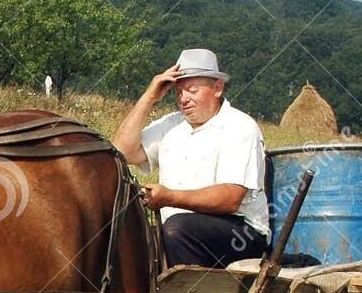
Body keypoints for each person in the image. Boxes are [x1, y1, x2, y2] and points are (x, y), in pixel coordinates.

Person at [113, 48, 269, 268]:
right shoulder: (171, 125)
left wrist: (169, 197)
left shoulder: (239, 127)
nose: (183, 99)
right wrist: (150, 97)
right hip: (178, 230)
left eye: (192, 90)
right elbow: (121, 151)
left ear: (217, 88)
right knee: (127, 236)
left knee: (178, 228)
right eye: (178, 92)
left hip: (241, 234)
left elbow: (230, 198)